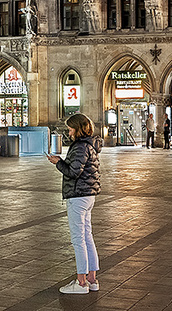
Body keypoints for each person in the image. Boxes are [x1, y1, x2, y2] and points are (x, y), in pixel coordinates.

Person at [47, 113, 102, 295]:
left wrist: (58, 162)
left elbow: (73, 172)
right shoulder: (90, 145)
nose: (69, 131)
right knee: (87, 236)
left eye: (70, 128)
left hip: (78, 196)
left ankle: (81, 283)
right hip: (88, 195)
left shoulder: (79, 147)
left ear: (78, 128)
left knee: (79, 239)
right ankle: (92, 279)